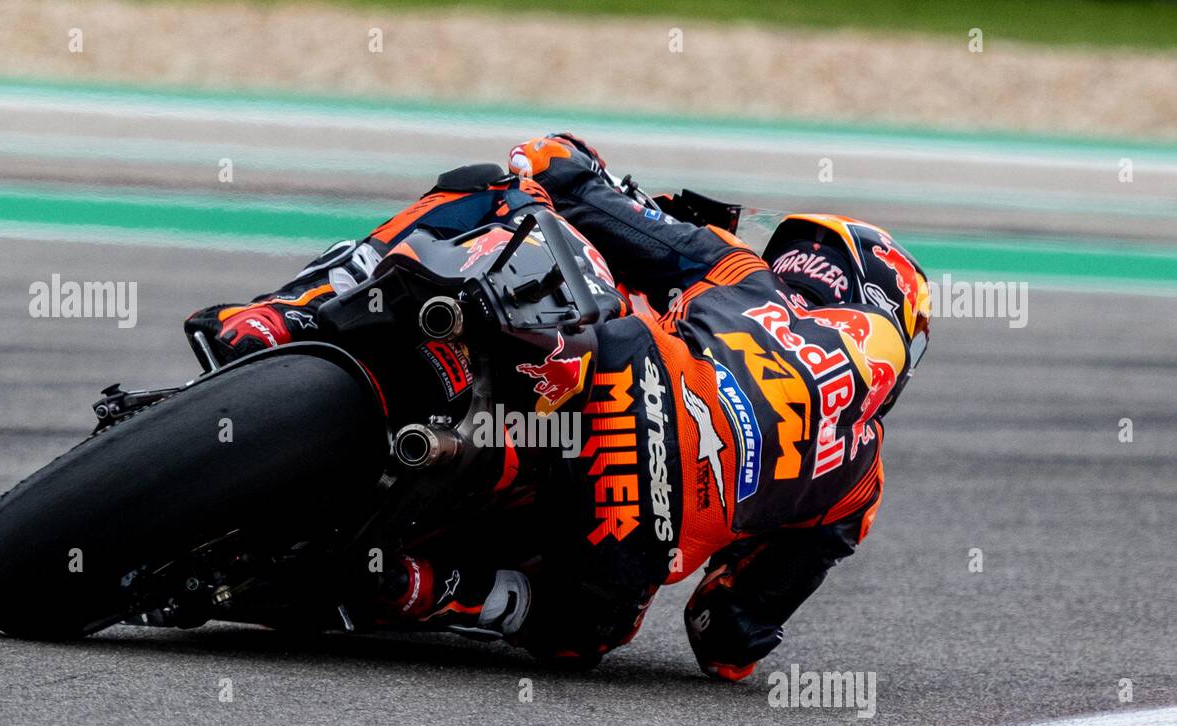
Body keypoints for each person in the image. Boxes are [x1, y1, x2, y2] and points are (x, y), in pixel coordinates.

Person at [185, 135, 931, 680]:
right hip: (628, 535)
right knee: (584, 631)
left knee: (487, 191)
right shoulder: (859, 486)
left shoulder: (743, 276)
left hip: (612, 371)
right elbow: (726, 637)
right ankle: (430, 587)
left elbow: (568, 182)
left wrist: (558, 159)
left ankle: (285, 316)